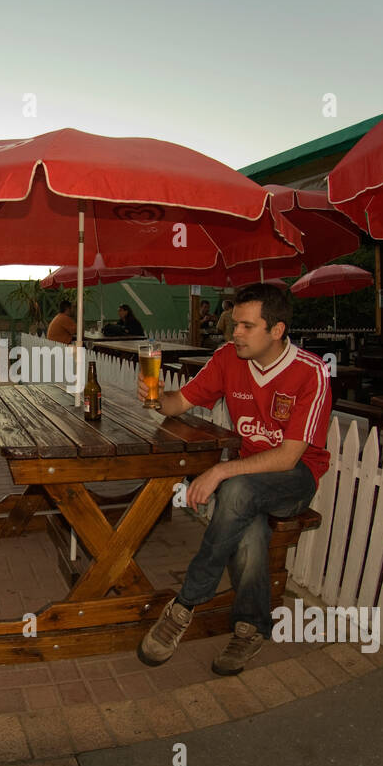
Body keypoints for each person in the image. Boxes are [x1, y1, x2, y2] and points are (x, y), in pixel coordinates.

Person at [137, 283, 332, 676]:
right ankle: (251, 628)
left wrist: (222, 469)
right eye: (234, 324)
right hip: (248, 480)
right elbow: (183, 401)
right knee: (250, 526)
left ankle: (186, 603)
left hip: (294, 478)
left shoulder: (311, 373)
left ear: (276, 330)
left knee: (236, 488)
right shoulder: (228, 358)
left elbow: (291, 454)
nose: (234, 333)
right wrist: (157, 397)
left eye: (246, 326)